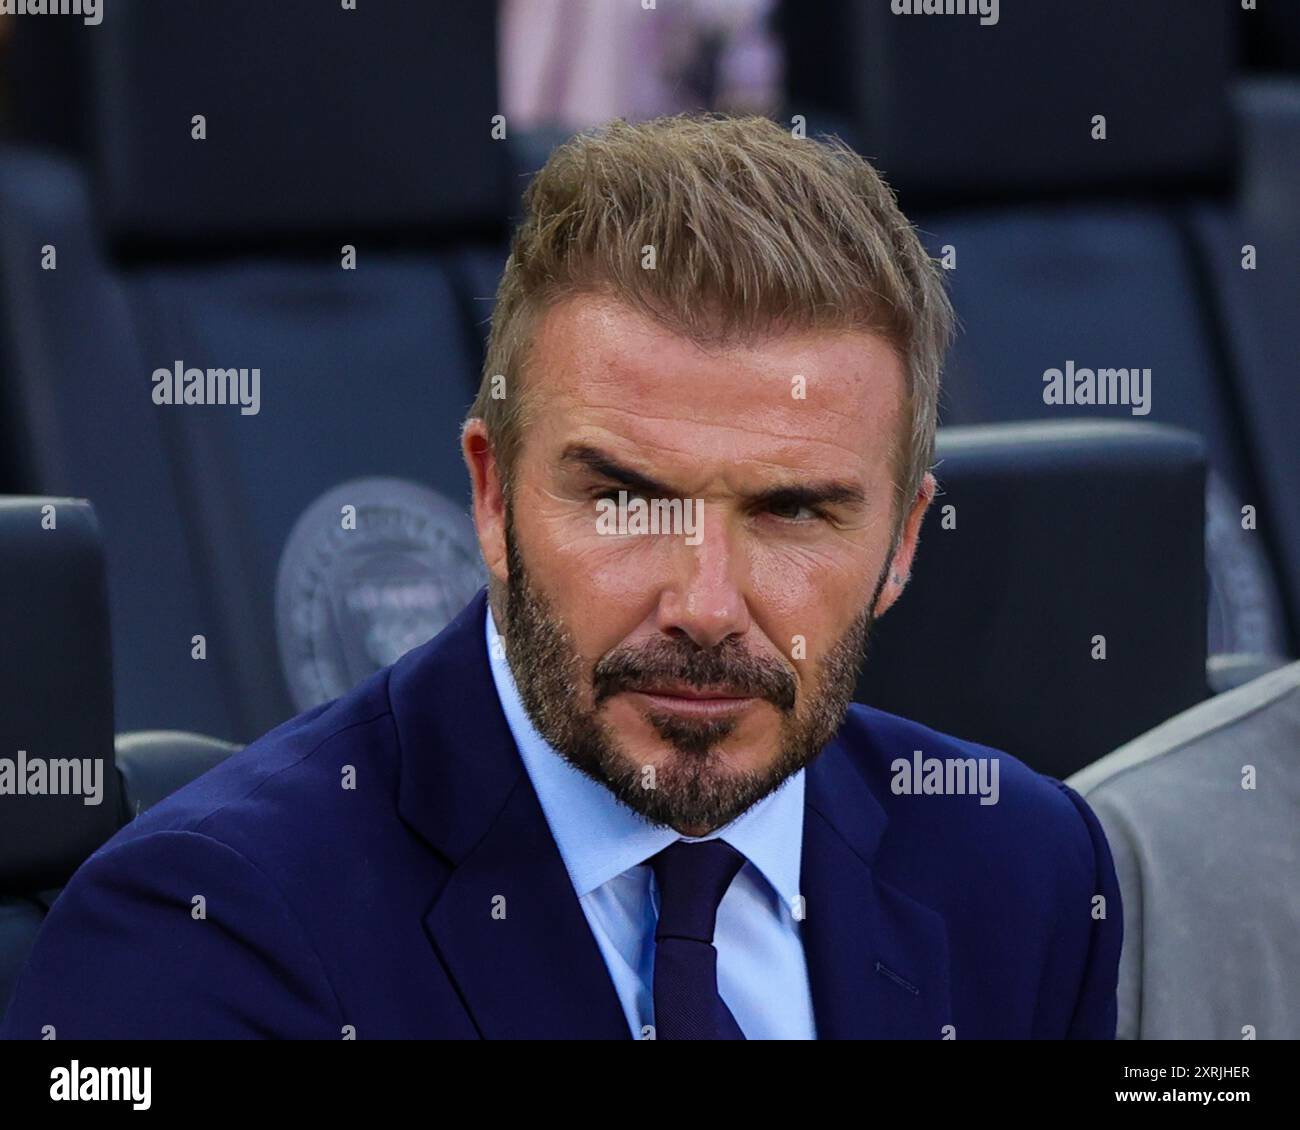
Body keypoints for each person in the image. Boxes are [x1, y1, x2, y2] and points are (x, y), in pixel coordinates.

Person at [1, 114, 1120, 1040]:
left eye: (792, 512)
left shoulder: (1021, 872)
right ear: (492, 496)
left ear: (904, 539)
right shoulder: (203, 930)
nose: (705, 604)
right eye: (628, 500)